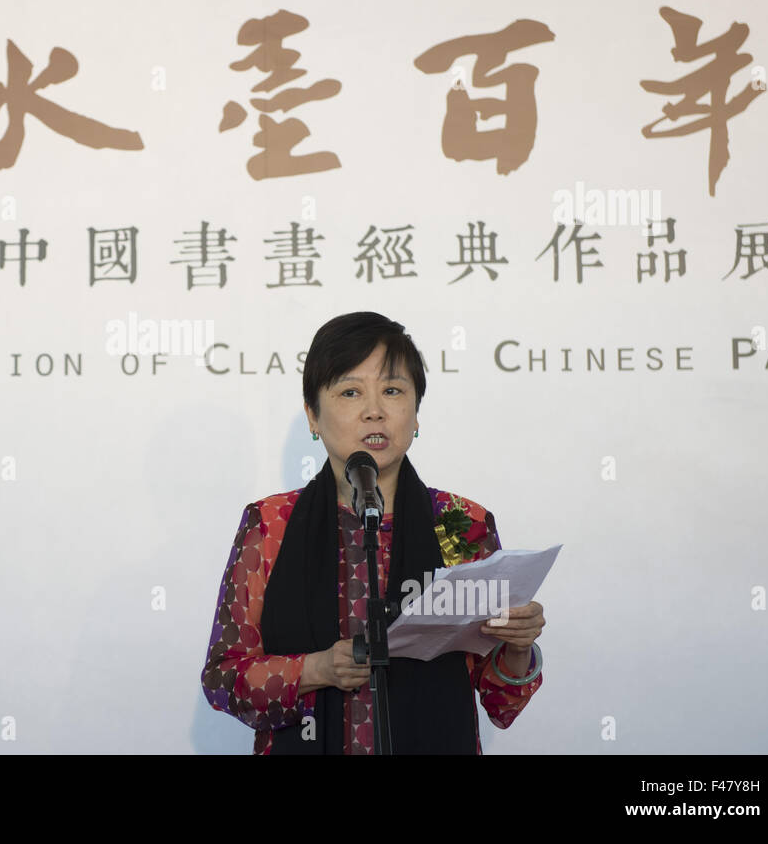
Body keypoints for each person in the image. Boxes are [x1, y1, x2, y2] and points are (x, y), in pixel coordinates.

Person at [200, 311, 546, 754]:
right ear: (313, 415)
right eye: (350, 392)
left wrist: (518, 648)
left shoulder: (462, 523)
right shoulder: (271, 524)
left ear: (415, 412)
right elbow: (224, 678)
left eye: (392, 390)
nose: (374, 411)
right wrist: (316, 669)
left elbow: (500, 702)